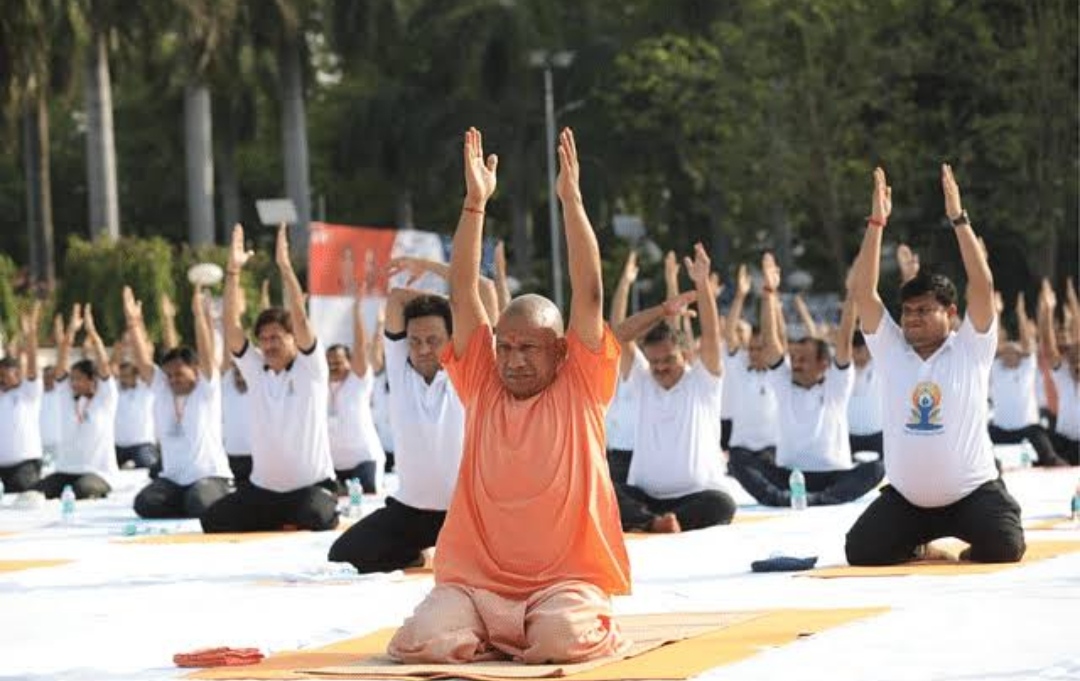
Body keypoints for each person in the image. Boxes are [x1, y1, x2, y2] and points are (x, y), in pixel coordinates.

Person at [387, 127, 629, 664]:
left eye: (529, 348)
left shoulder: (582, 383)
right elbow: (461, 293)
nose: (514, 360)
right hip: (477, 585)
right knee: (418, 641)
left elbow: (589, 290)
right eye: (506, 346)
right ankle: (498, 634)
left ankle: (521, 635)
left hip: (563, 583)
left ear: (560, 351)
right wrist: (475, 204)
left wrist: (571, 202)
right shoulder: (481, 381)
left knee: (563, 641)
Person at [845, 165, 1025, 565]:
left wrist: (958, 218)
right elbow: (863, 292)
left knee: (1005, 548)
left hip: (972, 495)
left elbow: (983, 286)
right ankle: (920, 545)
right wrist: (876, 222)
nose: (912, 319)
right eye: (907, 311)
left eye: (924, 310)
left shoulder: (970, 348)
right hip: (908, 502)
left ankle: (971, 540)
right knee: (861, 550)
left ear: (951, 313)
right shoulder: (892, 350)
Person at [200, 224, 339, 533]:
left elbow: (300, 317)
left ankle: (293, 515)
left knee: (318, 518)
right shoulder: (255, 369)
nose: (269, 344)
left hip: (310, 487)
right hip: (263, 490)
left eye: (276, 337)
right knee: (212, 520)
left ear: (293, 338)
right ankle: (278, 517)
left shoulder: (311, 368)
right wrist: (233, 272)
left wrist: (285, 268)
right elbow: (231, 326)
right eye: (263, 339)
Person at [729, 253, 882, 507]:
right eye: (795, 358)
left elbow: (844, 338)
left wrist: (853, 293)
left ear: (823, 364)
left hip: (833, 476)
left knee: (876, 469)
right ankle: (784, 498)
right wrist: (768, 293)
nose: (796, 363)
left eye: (803, 359)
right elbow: (770, 341)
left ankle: (816, 499)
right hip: (790, 476)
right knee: (738, 461)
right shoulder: (783, 383)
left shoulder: (837, 386)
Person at [328, 287, 463, 573]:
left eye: (433, 340)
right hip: (411, 510)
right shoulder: (400, 369)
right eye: (415, 341)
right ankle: (415, 555)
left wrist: (435, 278)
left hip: (464, 513)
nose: (423, 349)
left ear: (452, 339)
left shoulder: (466, 373)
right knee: (342, 555)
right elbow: (396, 298)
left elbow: (482, 293)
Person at [612, 244, 736, 533]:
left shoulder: (702, 382)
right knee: (601, 488)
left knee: (722, 504)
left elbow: (711, 334)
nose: (660, 367)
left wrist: (702, 284)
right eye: (654, 361)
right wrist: (629, 287)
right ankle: (654, 521)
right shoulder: (642, 379)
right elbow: (617, 334)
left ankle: (659, 521)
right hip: (644, 497)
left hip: (696, 497)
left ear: (686, 355)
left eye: (668, 359)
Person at [123, 286, 232, 518]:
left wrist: (199, 316)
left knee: (199, 500)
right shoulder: (163, 390)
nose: (173, 379)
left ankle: (208, 498)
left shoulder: (206, 389)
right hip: (173, 480)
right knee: (144, 503)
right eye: (170, 375)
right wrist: (133, 324)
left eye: (180, 374)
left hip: (209, 477)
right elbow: (143, 362)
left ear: (195, 370)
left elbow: (206, 353)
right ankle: (185, 501)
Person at [37, 304, 117, 499]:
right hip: (67, 470)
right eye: (72, 379)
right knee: (37, 491)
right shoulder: (66, 397)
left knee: (81, 490)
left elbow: (104, 366)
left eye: (79, 379)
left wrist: (92, 333)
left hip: (98, 473)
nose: (73, 383)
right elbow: (61, 364)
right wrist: (70, 332)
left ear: (92, 380)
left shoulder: (105, 399)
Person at [988, 293, 1065, 466]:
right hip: (1000, 431)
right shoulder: (997, 368)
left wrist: (1020, 313)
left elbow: (1028, 343)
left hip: (1027, 429)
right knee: (982, 438)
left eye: (1013, 352)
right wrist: (996, 313)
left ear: (1020, 355)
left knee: (1044, 445)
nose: (1008, 354)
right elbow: (992, 343)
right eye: (1005, 352)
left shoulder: (1027, 367)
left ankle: (1058, 465)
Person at [325, 289, 385, 495]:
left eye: (338, 362)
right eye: (329, 362)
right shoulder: (319, 386)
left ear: (350, 363)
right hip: (332, 466)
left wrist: (356, 310)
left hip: (364, 461)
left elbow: (360, 346)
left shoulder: (357, 381)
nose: (333, 366)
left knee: (365, 499)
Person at [723, 264, 780, 473]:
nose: (754, 353)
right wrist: (740, 296)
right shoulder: (739, 365)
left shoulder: (779, 371)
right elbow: (729, 333)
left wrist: (770, 294)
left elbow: (777, 333)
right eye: (751, 348)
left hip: (773, 449)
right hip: (741, 449)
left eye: (760, 348)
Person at [604, 250, 642, 484]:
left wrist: (625, 283)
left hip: (633, 460)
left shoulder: (638, 368)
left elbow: (619, 328)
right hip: (609, 456)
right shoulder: (601, 371)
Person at [0, 302, 44, 492]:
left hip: (24, 465)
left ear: (18, 374)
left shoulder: (28, 393)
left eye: (4, 374)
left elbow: (33, 366)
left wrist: (31, 336)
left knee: (23, 490)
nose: (1, 378)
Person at [1037, 278, 1079, 465]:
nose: (1076, 360)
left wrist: (1073, 301)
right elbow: (1048, 347)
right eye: (1073, 357)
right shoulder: (1063, 374)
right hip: (1062, 444)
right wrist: (1047, 311)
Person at [113, 355, 159, 472]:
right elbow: (108, 369)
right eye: (121, 376)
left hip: (142, 445)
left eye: (126, 376)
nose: (123, 379)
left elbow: (147, 367)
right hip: (118, 446)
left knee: (150, 469)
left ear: (136, 376)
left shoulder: (146, 389)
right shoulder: (114, 390)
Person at [847, 330, 884, 458]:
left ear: (868, 349)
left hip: (877, 435)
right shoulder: (843, 370)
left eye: (859, 351)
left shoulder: (880, 366)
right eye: (852, 351)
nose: (855, 355)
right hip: (850, 436)